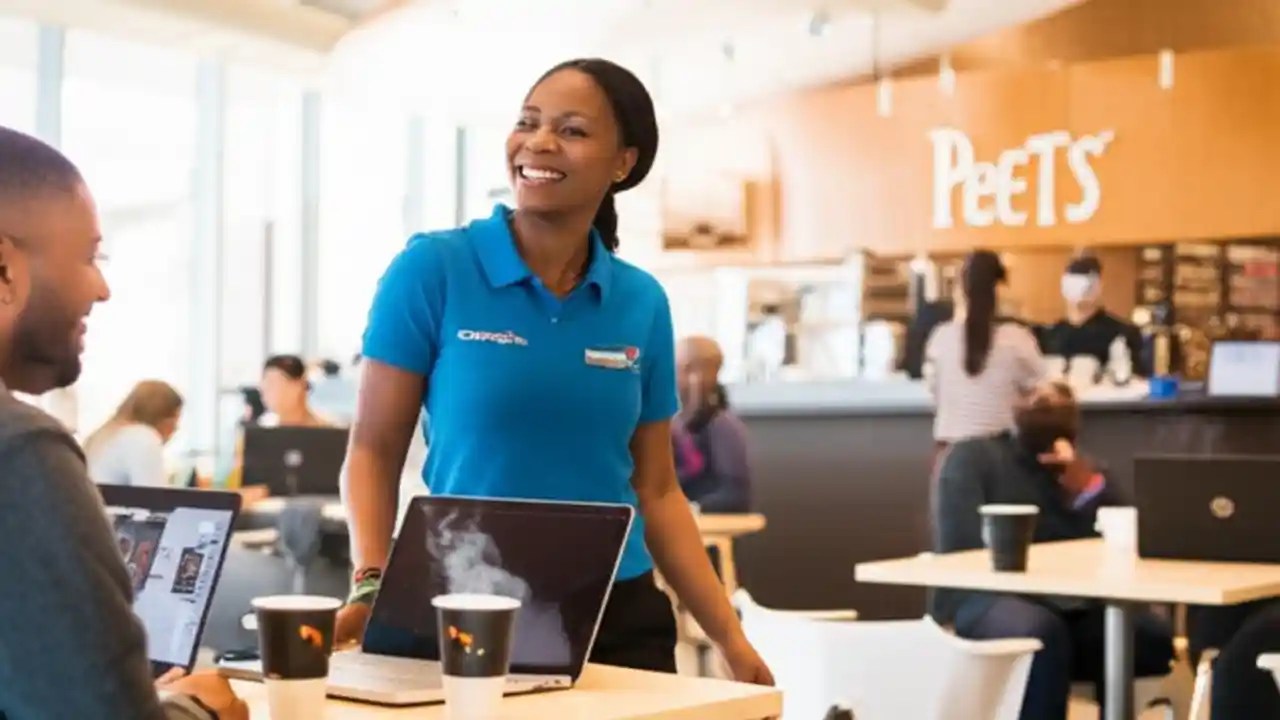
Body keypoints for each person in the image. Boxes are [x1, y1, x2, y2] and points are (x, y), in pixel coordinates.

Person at [338, 58, 772, 684]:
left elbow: (657, 490)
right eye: (527, 122)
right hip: (458, 601)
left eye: (571, 130)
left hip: (612, 613)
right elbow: (373, 450)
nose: (538, 143)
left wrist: (730, 639)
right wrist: (370, 577)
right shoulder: (434, 269)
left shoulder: (640, 301)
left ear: (623, 162)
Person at [0, 126, 245, 719]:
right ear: (4, 268)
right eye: (91, 256)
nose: (101, 288)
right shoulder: (21, 454)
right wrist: (199, 712)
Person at [931, 381, 1174, 720]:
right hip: (982, 596)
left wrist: (1088, 490)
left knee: (1144, 636)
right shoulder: (974, 458)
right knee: (1042, 633)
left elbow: (1124, 539)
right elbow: (961, 551)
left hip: (1071, 603)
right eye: (1035, 398)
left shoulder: (1077, 472)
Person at [924, 250, 1044, 461]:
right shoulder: (1017, 340)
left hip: (950, 454)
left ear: (961, 290)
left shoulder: (941, 338)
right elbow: (1041, 394)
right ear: (1000, 290)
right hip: (1000, 455)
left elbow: (934, 394)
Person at [672, 336, 752, 513]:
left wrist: (691, 510)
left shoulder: (722, 427)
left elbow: (736, 495)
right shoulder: (675, 424)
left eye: (677, 368)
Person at [1039, 255, 1148, 377]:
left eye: (1087, 285)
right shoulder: (1048, 336)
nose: (1080, 292)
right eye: (1073, 285)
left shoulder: (1122, 333)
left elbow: (1134, 381)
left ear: (1099, 286)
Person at [83, 380, 183, 487]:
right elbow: (156, 498)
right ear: (165, 418)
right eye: (176, 419)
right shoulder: (142, 438)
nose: (176, 428)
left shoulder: (98, 436)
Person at [259, 354, 329, 428]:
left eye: (273, 383)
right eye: (265, 383)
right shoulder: (264, 428)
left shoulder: (327, 430)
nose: (265, 390)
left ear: (299, 386)